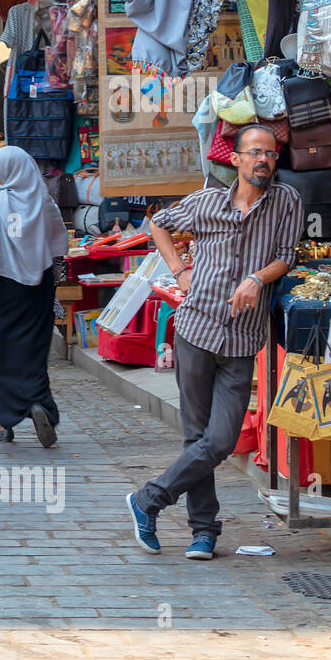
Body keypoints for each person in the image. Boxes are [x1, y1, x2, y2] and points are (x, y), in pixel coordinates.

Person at [127, 123, 301, 560]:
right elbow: (159, 224)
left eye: (271, 154)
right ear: (237, 159)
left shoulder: (286, 202)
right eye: (256, 153)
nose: (264, 160)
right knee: (196, 437)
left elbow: (286, 255)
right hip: (196, 331)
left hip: (242, 340)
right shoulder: (205, 204)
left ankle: (148, 499)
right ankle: (203, 532)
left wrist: (256, 280)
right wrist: (180, 272)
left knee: (220, 440)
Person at [0, 147, 68, 447]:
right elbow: (59, 249)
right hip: (37, 289)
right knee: (33, 354)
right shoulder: (46, 204)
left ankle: (6, 422)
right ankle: (38, 405)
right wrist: (52, 284)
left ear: (11, 169)